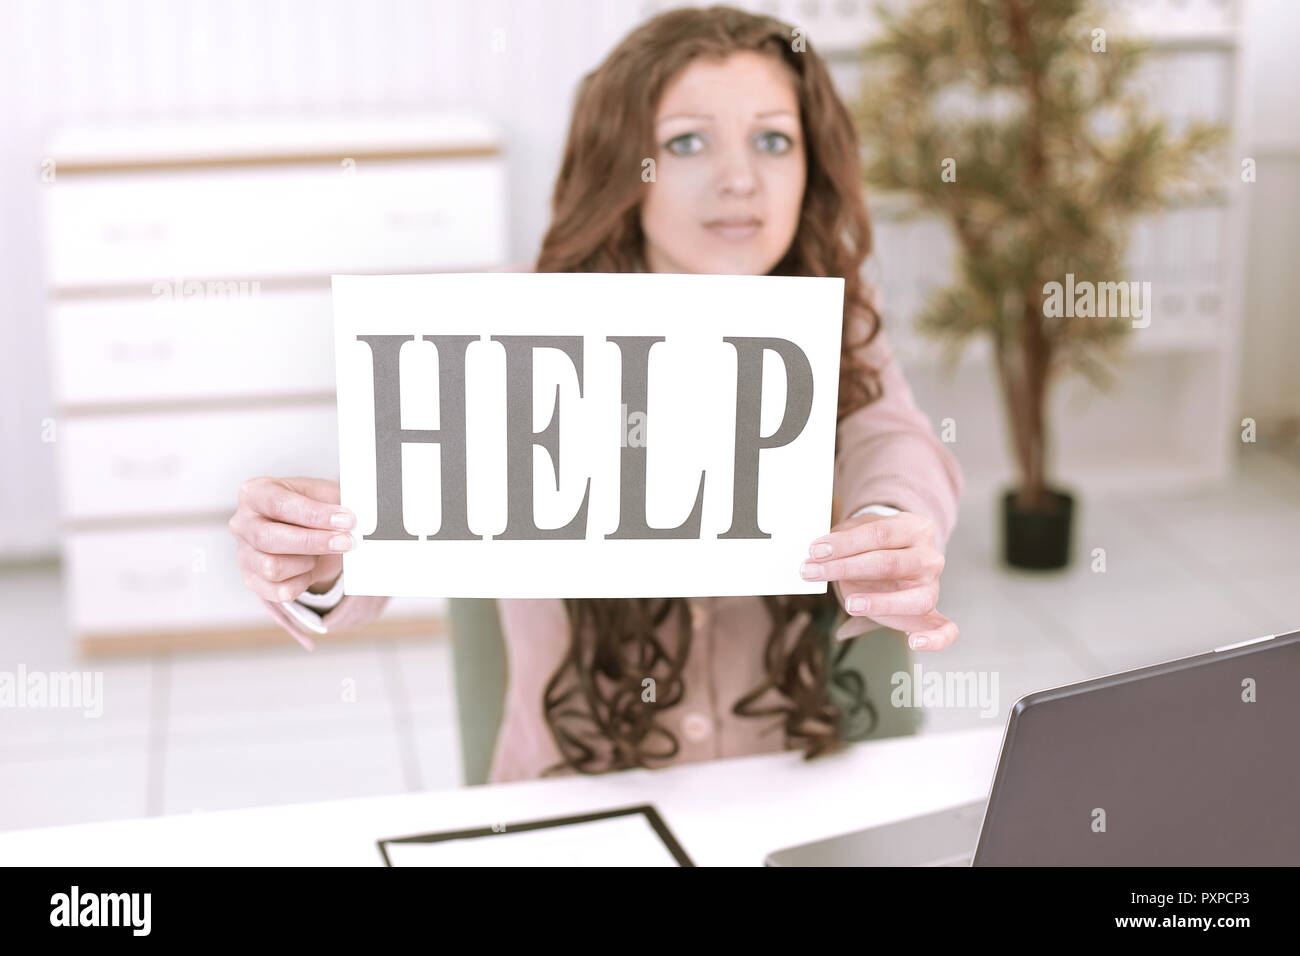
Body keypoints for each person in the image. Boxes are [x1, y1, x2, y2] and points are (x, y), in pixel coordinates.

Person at [228, 5, 963, 783]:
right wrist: (317, 560)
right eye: (686, 141)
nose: (740, 178)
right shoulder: (507, 327)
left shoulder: (842, 316)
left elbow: (892, 438)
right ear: (624, 164)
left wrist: (886, 522)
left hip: (783, 787)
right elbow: (394, 525)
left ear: (811, 163)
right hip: (571, 806)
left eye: (773, 139)